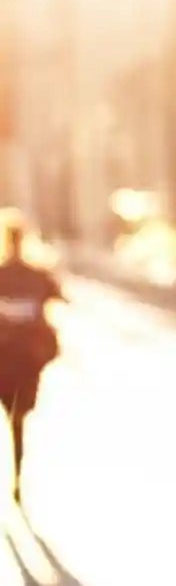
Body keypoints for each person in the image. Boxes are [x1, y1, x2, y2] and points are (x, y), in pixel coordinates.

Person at [0, 211, 64, 504]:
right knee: (18, 419)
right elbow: (59, 295)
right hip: (24, 355)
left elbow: (57, 294)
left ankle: (16, 476)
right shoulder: (36, 273)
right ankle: (16, 476)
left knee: (16, 417)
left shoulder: (31, 274)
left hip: (17, 353)